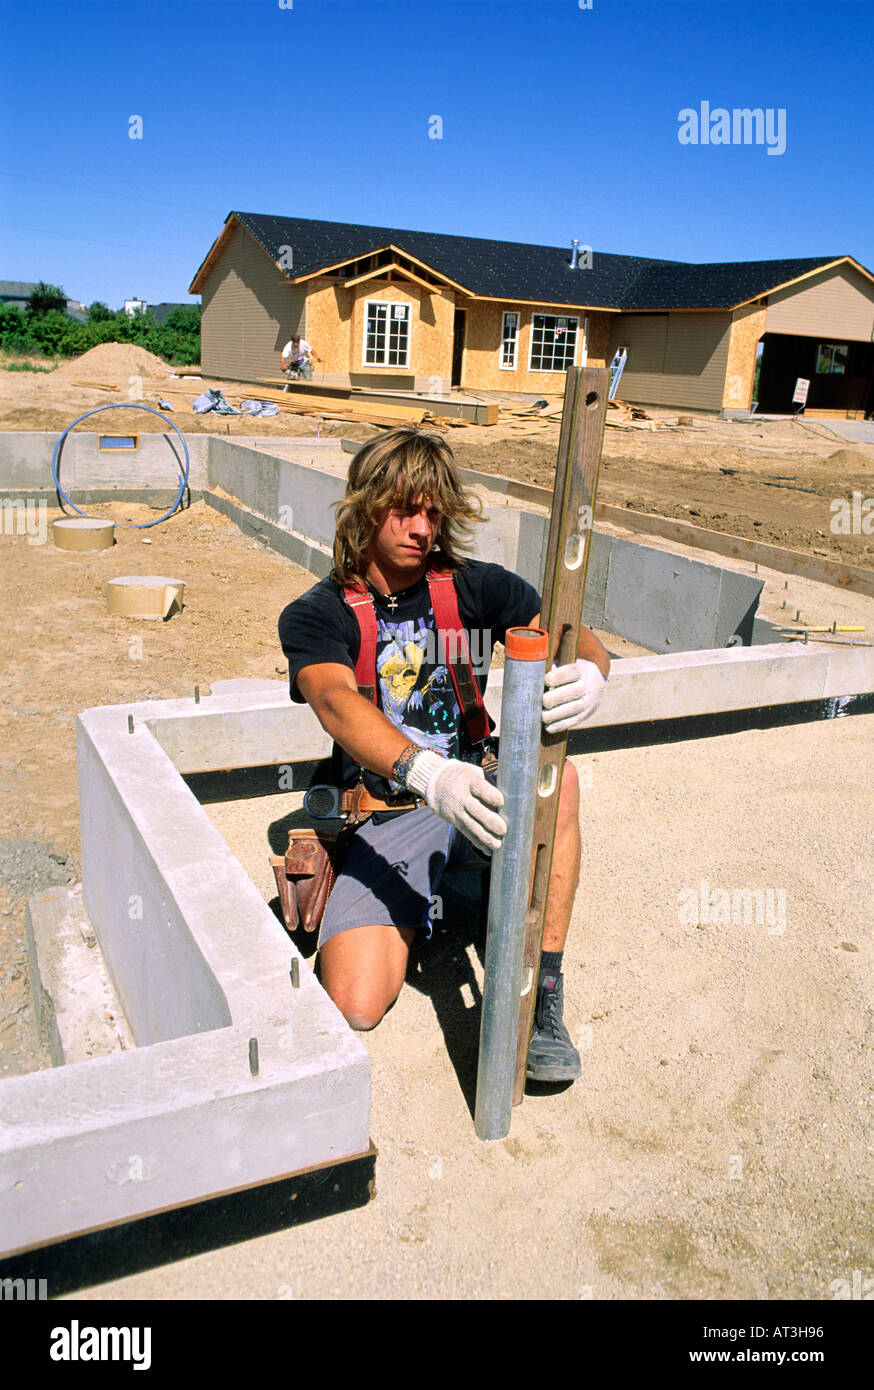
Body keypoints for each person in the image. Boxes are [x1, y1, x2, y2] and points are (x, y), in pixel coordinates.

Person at [277, 427, 609, 1082]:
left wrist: (595, 672)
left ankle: (544, 993)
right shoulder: (318, 613)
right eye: (404, 508)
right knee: (356, 1004)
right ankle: (443, 891)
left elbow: (573, 633)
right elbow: (336, 703)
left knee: (560, 779)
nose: (420, 526)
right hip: (392, 810)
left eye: (433, 511)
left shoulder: (476, 589)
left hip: (480, 790)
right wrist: (427, 773)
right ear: (366, 507)